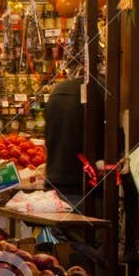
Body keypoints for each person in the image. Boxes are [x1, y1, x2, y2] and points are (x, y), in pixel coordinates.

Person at [44, 75, 87, 210]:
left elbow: (49, 135)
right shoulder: (104, 89)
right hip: (85, 187)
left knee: (60, 230)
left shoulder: (59, 90)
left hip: (56, 182)